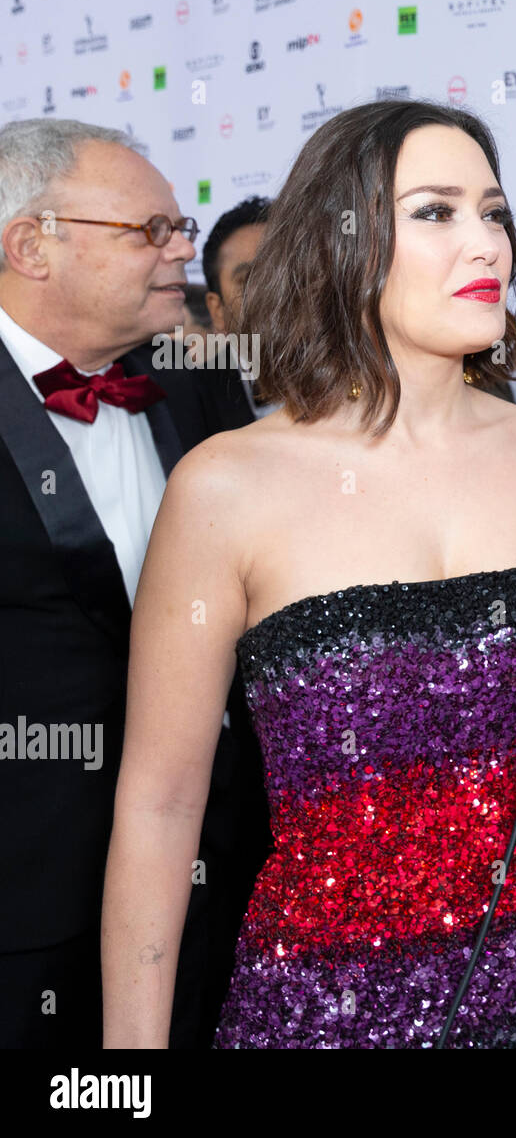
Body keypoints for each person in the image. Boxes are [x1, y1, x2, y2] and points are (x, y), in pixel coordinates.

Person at [100, 99, 516, 1049]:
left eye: (494, 213)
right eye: (437, 212)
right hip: (325, 1009)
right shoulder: (224, 485)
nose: (487, 243)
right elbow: (159, 806)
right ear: (339, 242)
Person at [0, 118, 258, 1048]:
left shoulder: (193, 374)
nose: (184, 250)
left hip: (216, 869)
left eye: (180, 227)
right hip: (29, 903)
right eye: (150, 231)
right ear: (33, 244)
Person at [201, 196, 274, 418]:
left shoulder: (361, 380)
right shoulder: (189, 397)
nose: (274, 291)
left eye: (288, 274)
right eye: (248, 279)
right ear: (217, 310)